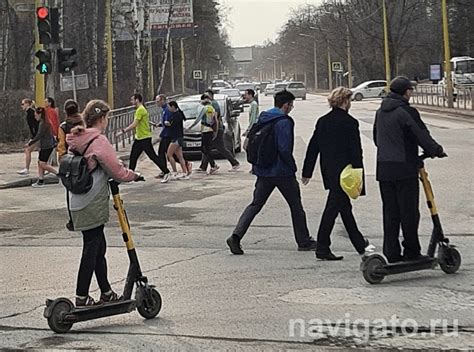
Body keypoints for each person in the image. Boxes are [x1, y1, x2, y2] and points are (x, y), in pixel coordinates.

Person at [66, 99, 142, 307]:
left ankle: (106, 292)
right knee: (92, 248)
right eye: (107, 117)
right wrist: (134, 175)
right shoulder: (98, 140)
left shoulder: (78, 137)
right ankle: (81, 296)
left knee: (98, 246)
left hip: (76, 201)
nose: (108, 121)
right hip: (91, 201)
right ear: (101, 118)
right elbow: (116, 171)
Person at [226, 90, 317, 255]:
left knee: (255, 204)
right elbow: (284, 148)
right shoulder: (284, 122)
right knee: (296, 206)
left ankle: (236, 236)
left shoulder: (264, 117)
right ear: (286, 105)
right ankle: (303, 241)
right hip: (282, 172)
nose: (292, 108)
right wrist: (292, 166)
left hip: (263, 170)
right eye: (291, 105)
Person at [373, 76, 446, 263]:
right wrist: (435, 150)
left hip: (384, 169)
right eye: (410, 90)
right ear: (406, 92)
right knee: (409, 213)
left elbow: (376, 138)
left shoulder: (380, 112)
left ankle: (391, 252)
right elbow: (420, 134)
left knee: (390, 213)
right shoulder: (406, 111)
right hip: (404, 168)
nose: (411, 93)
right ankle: (411, 251)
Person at [302, 87, 375, 261]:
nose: (350, 104)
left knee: (344, 209)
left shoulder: (322, 121)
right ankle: (322, 247)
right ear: (344, 101)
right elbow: (356, 152)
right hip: (346, 173)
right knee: (333, 209)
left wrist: (307, 172)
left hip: (329, 171)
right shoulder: (350, 122)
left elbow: (313, 147)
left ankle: (360, 244)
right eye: (348, 100)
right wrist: (359, 176)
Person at [119, 93, 171, 183]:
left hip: (144, 137)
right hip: (139, 137)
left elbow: (135, 124)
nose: (131, 101)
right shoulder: (141, 109)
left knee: (152, 156)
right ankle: (131, 176)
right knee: (133, 156)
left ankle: (166, 171)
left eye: (132, 99)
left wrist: (123, 131)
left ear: (137, 100)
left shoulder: (140, 110)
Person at [197, 89, 240, 172]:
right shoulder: (209, 104)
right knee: (207, 148)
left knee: (220, 148)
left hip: (216, 129)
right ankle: (204, 166)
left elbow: (215, 118)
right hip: (211, 129)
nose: (205, 98)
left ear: (211, 96)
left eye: (207, 96)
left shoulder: (213, 104)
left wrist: (215, 131)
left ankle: (234, 163)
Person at [187, 94, 220, 175]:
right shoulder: (212, 108)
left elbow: (198, 119)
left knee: (204, 149)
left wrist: (190, 127)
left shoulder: (205, 108)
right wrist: (215, 130)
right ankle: (212, 165)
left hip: (205, 130)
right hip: (210, 130)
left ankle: (213, 165)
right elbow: (215, 120)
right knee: (207, 149)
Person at [27, 107, 58, 188]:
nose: (35, 117)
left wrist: (30, 143)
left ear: (40, 114)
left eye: (36, 115)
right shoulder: (45, 122)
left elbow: (39, 135)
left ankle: (59, 174)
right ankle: (41, 180)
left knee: (42, 164)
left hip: (47, 146)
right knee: (40, 163)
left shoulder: (43, 123)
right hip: (46, 145)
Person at [166, 101, 192, 179]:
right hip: (180, 137)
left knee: (169, 154)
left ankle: (175, 172)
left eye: (169, 107)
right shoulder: (179, 114)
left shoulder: (176, 115)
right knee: (180, 156)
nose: (169, 108)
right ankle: (185, 172)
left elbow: (173, 125)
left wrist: (168, 124)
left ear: (173, 106)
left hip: (176, 138)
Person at [17, 98, 39, 176]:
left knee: (28, 150)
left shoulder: (31, 113)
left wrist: (33, 138)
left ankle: (27, 169)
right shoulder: (31, 112)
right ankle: (43, 169)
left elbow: (34, 126)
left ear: (27, 104)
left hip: (37, 135)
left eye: (23, 104)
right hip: (37, 135)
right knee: (41, 151)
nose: (21, 106)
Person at [156, 94, 173, 178]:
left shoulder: (167, 109)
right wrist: (160, 124)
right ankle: (164, 170)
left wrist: (161, 135)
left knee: (167, 153)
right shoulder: (163, 109)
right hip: (166, 134)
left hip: (167, 135)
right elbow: (165, 122)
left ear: (163, 100)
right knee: (163, 153)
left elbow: (168, 123)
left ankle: (165, 170)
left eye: (158, 101)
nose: (157, 103)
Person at [45, 97, 60, 166]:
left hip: (51, 132)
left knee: (50, 148)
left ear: (50, 103)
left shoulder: (51, 111)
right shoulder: (48, 110)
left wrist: (55, 132)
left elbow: (54, 122)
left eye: (46, 102)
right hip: (50, 132)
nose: (45, 103)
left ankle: (48, 163)